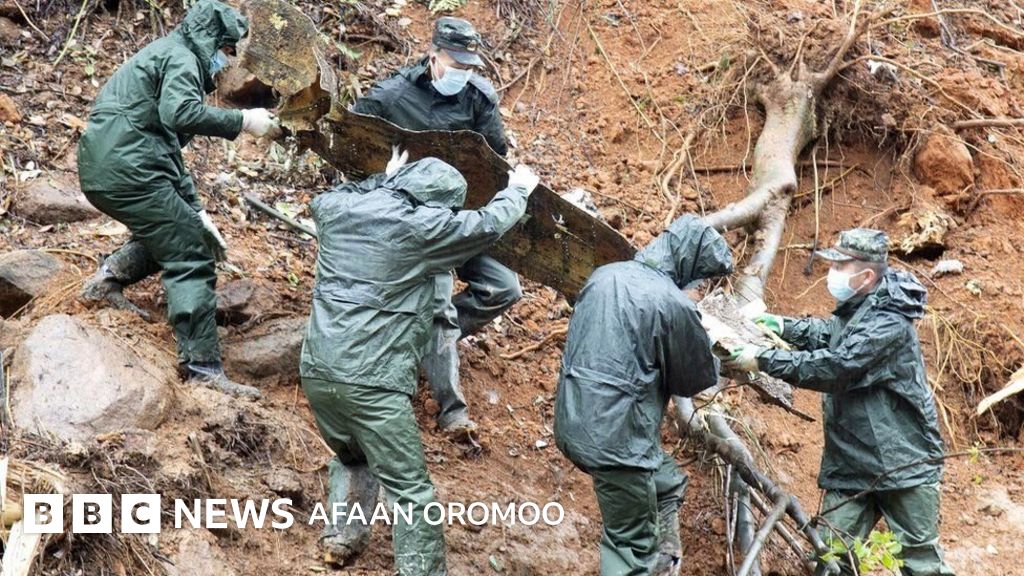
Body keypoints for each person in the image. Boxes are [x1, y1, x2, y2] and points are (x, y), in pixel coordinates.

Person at [300, 154, 539, 574]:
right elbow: (486, 224)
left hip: (318, 373)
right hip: (373, 382)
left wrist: (385, 178)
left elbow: (327, 197)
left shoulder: (337, 209)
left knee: (354, 457)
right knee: (411, 491)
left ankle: (341, 540)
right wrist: (518, 189)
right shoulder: (421, 228)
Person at [76, 0, 280, 399]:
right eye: (225, 51)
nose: (226, 62)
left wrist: (197, 210)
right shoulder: (183, 59)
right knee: (190, 252)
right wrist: (244, 120)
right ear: (210, 40)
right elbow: (182, 114)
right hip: (129, 170)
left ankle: (106, 282)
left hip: (108, 169)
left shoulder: (167, 54)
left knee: (174, 228)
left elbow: (166, 146)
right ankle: (202, 368)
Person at [724, 229, 954, 576]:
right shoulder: (862, 304)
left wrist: (761, 359)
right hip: (852, 465)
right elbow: (829, 334)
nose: (831, 272)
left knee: (922, 566)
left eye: (840, 266)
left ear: (866, 276)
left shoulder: (888, 322)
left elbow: (837, 366)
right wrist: (783, 326)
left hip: (903, 465)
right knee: (830, 560)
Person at [351, 16, 516, 437]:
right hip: (413, 222)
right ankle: (451, 410)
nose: (462, 73)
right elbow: (350, 143)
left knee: (503, 288)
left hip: (462, 215)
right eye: (455, 64)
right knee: (439, 305)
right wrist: (378, 188)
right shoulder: (392, 96)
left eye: (469, 66)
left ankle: (419, 340)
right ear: (433, 55)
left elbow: (496, 164)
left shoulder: (479, 99)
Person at [555, 215, 735, 576]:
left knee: (667, 482)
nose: (698, 289)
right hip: (618, 445)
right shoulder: (672, 303)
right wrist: (718, 351)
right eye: (701, 281)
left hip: (573, 422)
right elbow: (691, 381)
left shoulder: (604, 275)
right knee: (629, 548)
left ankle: (664, 560)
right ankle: (641, 561)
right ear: (689, 267)